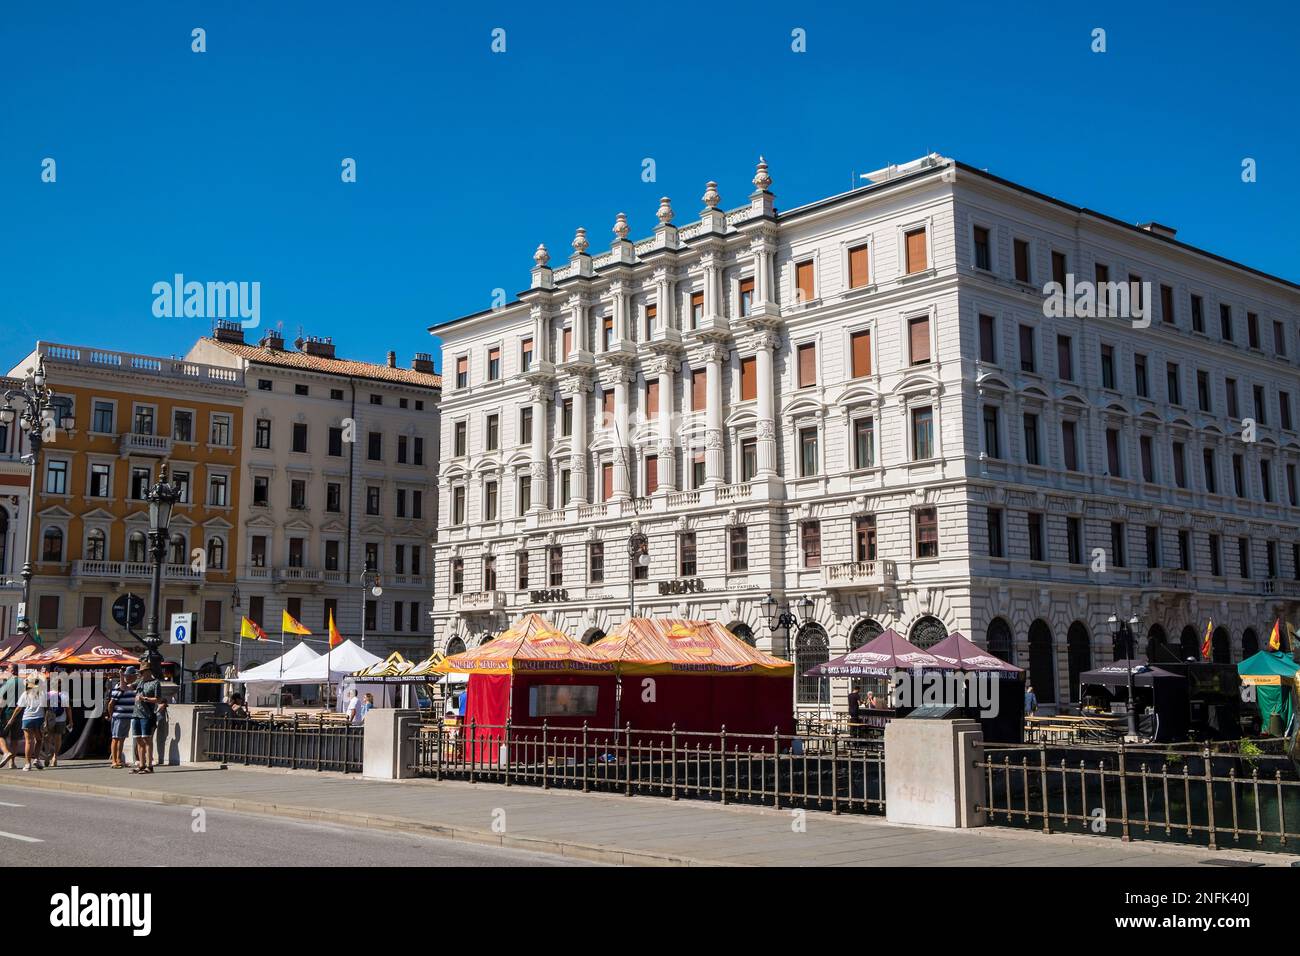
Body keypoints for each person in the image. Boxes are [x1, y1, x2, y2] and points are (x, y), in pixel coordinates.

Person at [4, 676, 47, 771]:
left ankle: (27, 764)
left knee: (28, 741)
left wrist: (12, 719)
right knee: (39, 740)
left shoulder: (25, 694)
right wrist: (45, 720)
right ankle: (36, 759)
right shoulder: (42, 693)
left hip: (27, 718)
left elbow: (18, 708)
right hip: (38, 719)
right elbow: (45, 708)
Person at [131, 663, 163, 774]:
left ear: (149, 671)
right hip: (136, 714)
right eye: (139, 672)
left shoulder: (155, 683)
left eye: (142, 672)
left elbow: (158, 700)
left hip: (147, 715)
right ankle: (141, 764)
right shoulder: (140, 682)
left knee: (147, 740)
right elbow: (124, 687)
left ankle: (149, 766)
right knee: (139, 740)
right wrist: (121, 675)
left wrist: (144, 698)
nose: (140, 674)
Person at [107, 667, 138, 769]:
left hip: (127, 717)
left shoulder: (131, 686)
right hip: (119, 717)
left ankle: (119, 760)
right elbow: (111, 703)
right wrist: (112, 716)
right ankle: (114, 761)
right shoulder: (119, 687)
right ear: (129, 676)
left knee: (122, 739)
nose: (135, 677)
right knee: (116, 738)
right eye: (134, 675)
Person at [44, 668, 73, 766]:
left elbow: (44, 707)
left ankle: (48, 754)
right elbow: (68, 708)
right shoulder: (64, 694)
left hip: (50, 719)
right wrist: (71, 720)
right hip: (61, 718)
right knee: (58, 738)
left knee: (48, 738)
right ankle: (55, 757)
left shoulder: (47, 694)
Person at [0, 665, 21, 769]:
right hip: (19, 713)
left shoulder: (8, 683)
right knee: (15, 739)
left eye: (7, 669)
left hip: (7, 713)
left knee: (1, 735)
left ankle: (6, 752)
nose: (5, 671)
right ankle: (12, 763)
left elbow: (1, 701)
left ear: (11, 671)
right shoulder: (23, 681)